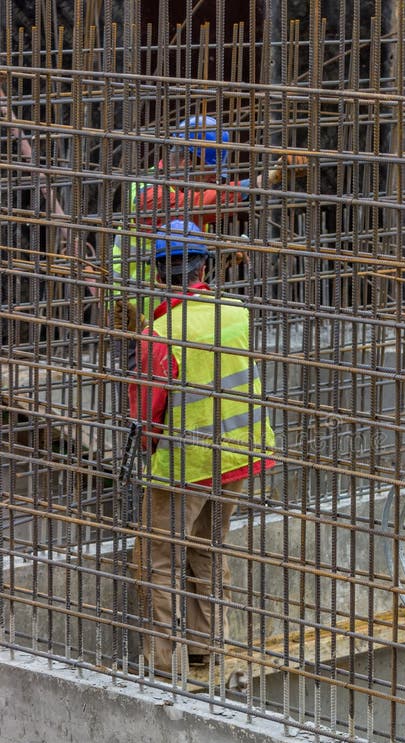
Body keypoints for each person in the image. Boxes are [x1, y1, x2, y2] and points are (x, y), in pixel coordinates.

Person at [128, 218, 275, 678]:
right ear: (205, 268)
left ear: (156, 274)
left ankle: (163, 662)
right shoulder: (236, 312)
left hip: (186, 466)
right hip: (238, 454)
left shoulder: (160, 334)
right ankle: (206, 650)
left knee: (158, 558)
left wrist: (149, 452)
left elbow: (147, 409)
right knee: (209, 549)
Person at [112, 114, 307, 326]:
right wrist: (264, 179)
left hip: (176, 312)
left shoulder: (187, 190)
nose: (214, 181)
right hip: (133, 314)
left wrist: (218, 251)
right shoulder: (147, 192)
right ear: (188, 162)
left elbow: (183, 247)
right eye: (210, 174)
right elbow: (195, 206)